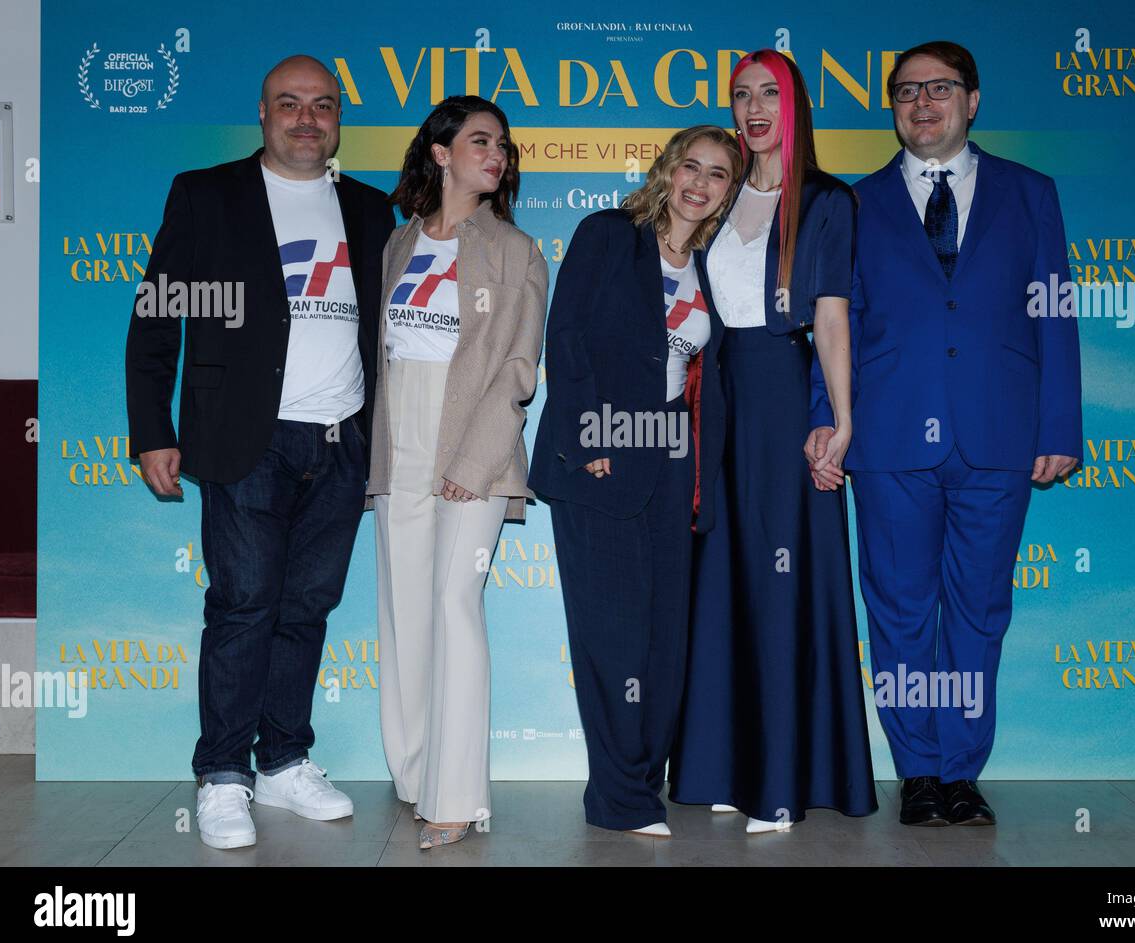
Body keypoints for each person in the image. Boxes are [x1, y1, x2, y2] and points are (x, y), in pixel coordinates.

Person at [809, 40, 1082, 826]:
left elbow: (1055, 311)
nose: (921, 103)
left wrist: (1059, 420)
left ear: (973, 99)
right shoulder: (853, 204)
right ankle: (918, 772)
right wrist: (828, 421)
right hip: (889, 439)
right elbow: (835, 323)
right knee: (898, 610)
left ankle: (962, 770)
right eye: (905, 92)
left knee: (978, 610)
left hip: (1000, 436)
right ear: (891, 108)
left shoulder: (1031, 194)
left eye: (939, 88)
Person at [125, 55, 395, 849]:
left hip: (343, 441)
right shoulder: (207, 195)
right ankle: (222, 776)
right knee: (244, 607)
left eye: (322, 106)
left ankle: (282, 762)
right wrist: (152, 429)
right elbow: (157, 316)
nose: (306, 119)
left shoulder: (373, 211)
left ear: (338, 118)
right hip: (247, 441)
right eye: (289, 104)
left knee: (305, 610)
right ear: (263, 112)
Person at [668, 50, 878, 832]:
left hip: (787, 402)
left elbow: (830, 318)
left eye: (770, 94)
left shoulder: (825, 200)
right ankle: (724, 765)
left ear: (796, 105)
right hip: (718, 402)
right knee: (720, 581)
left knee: (784, 579)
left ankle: (782, 781)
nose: (755, 108)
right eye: (741, 96)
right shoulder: (718, 200)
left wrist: (841, 419)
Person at [530, 126, 740, 836]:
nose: (700, 183)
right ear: (667, 170)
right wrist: (590, 434)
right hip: (603, 454)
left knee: (663, 639)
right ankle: (618, 798)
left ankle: (644, 780)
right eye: (691, 166)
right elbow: (568, 336)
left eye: (717, 174)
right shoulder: (609, 235)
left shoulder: (712, 266)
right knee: (614, 638)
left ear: (727, 192)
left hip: (674, 461)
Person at [366, 96, 547, 850]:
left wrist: (472, 465)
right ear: (440, 153)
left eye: (502, 145)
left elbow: (517, 371)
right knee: (404, 612)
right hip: (399, 441)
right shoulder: (398, 245)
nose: (496, 154)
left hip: (476, 443)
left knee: (452, 602)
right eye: (480, 141)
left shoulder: (518, 251)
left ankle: (456, 797)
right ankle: (415, 776)